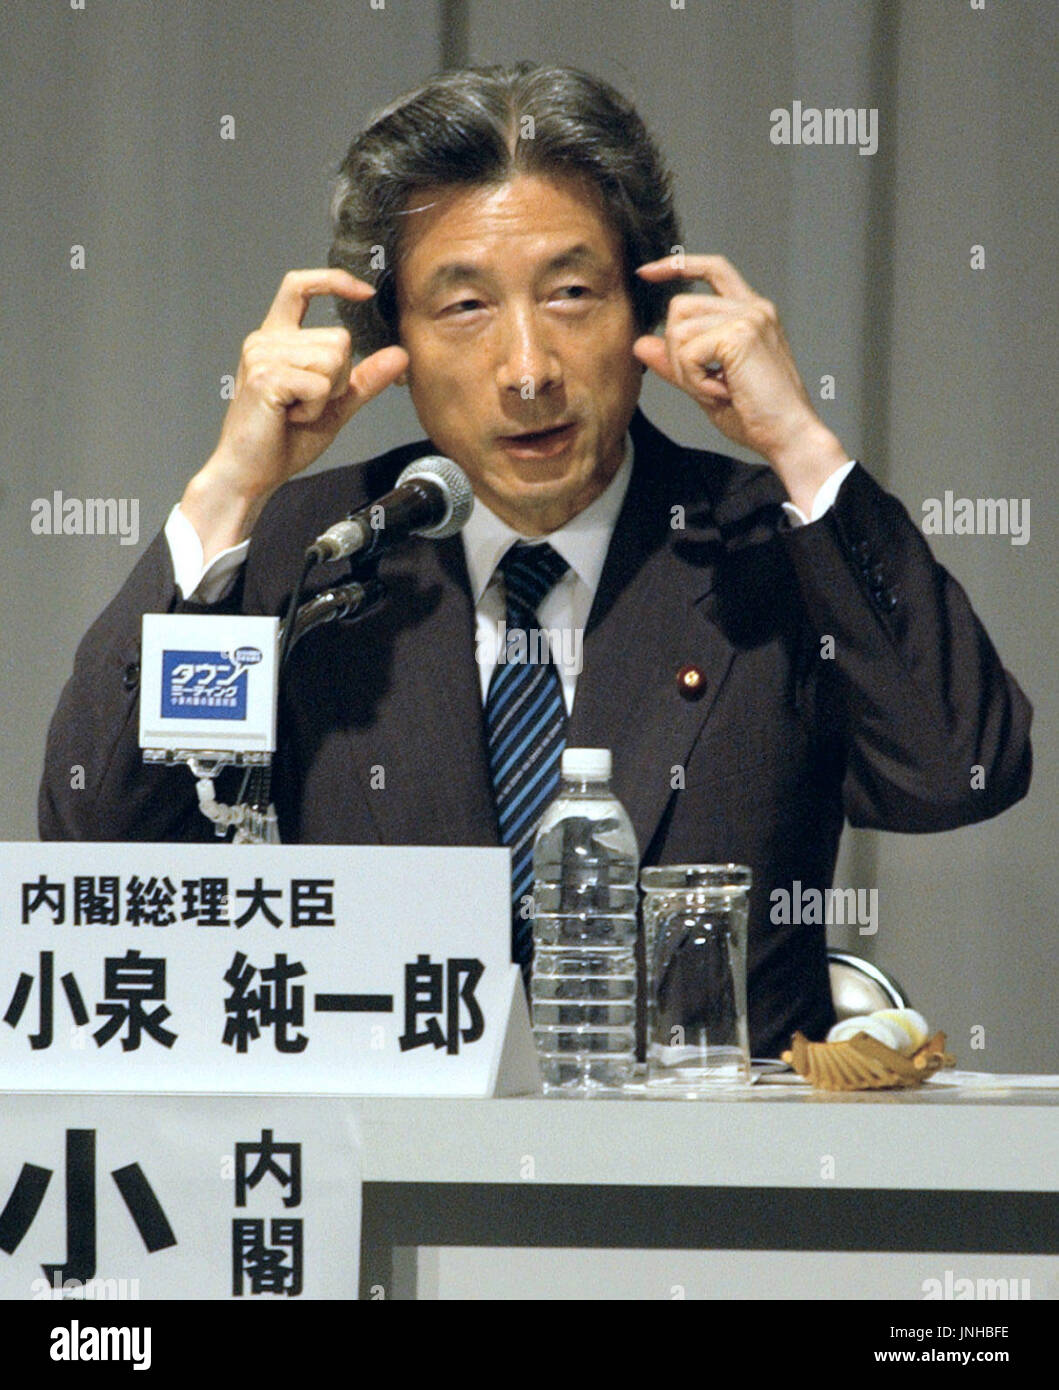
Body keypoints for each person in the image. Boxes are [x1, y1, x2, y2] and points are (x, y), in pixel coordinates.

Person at [39, 63, 1032, 1059]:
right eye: (465, 307)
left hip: (709, 1186)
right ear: (393, 340)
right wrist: (229, 486)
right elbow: (102, 837)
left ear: (647, 309)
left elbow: (959, 771)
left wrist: (801, 446)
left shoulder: (768, 542)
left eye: (570, 293)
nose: (526, 372)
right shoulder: (320, 550)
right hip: (392, 1183)